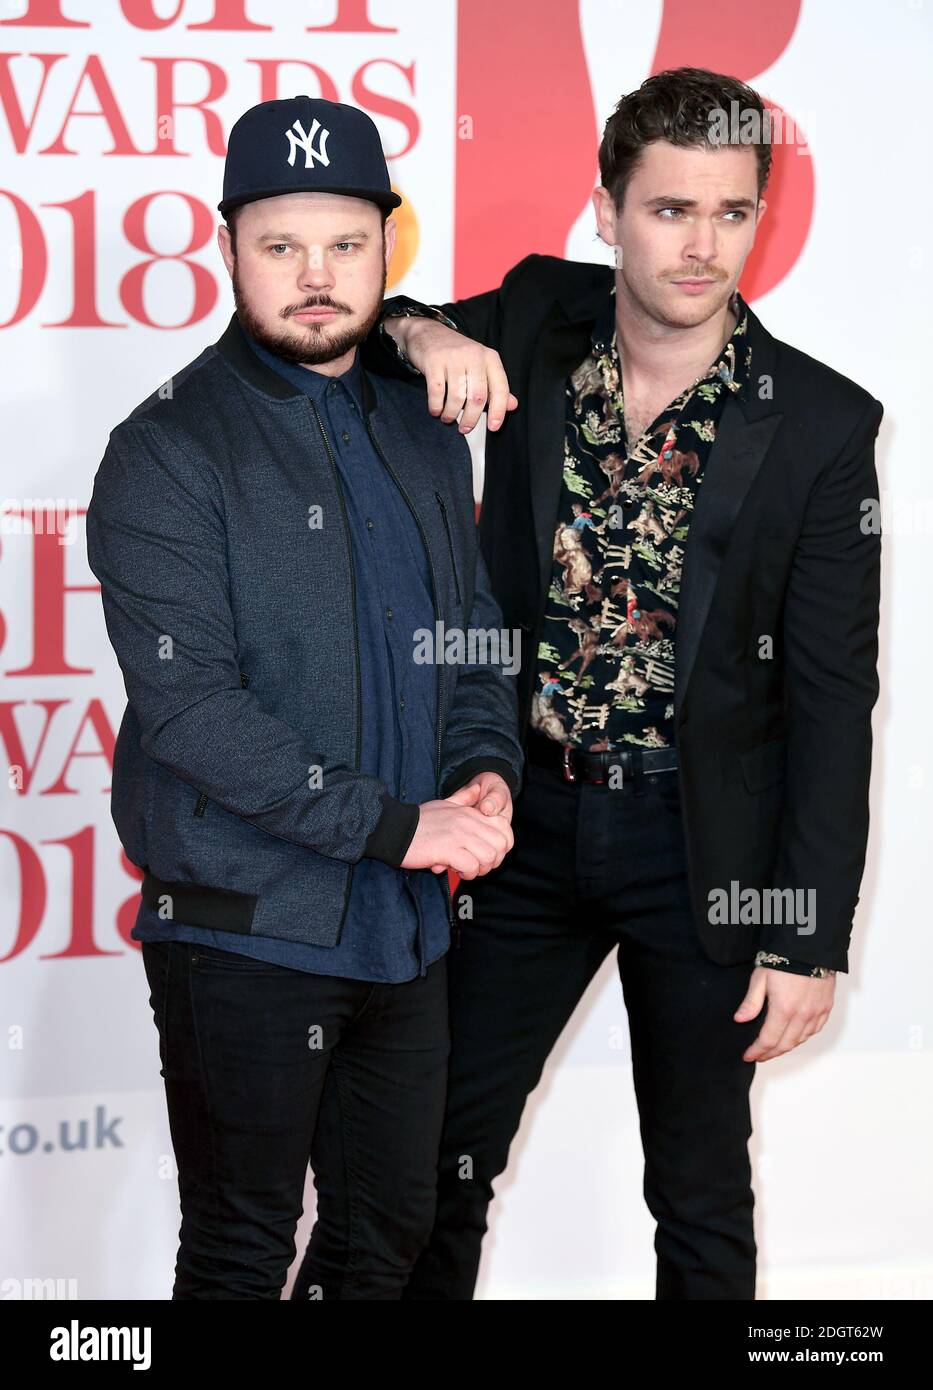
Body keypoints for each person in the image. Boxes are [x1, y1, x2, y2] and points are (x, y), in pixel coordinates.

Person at [330, 66, 884, 1299]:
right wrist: (425, 330)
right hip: (520, 815)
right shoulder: (533, 315)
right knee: (431, 1160)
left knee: (698, 1194)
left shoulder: (821, 426)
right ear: (607, 210)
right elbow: (363, 326)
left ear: (760, 218)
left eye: (729, 213)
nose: (700, 246)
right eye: (670, 210)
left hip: (701, 845)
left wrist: (806, 931)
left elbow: (836, 697)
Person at [85, 95, 524, 1300]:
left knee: (382, 1238)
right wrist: (400, 824)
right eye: (280, 245)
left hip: (406, 927)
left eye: (344, 242)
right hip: (243, 926)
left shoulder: (426, 428)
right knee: (238, 1249)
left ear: (390, 246)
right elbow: (191, 713)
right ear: (228, 250)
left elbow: (468, 635)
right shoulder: (165, 447)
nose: (316, 275)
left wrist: (485, 765)